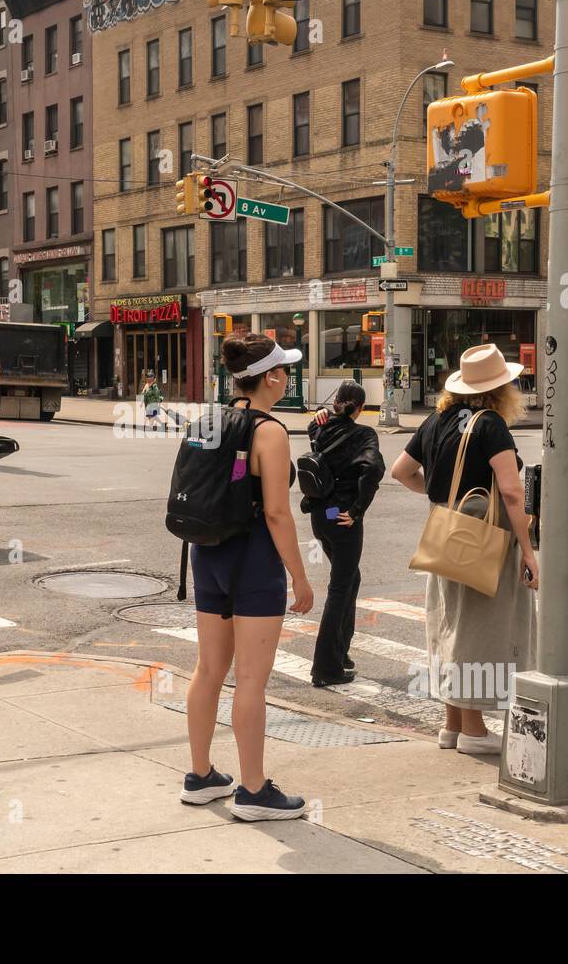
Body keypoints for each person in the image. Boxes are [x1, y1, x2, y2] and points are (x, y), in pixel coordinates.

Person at [183, 333, 314, 821]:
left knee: (208, 669)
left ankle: (200, 776)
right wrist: (299, 577)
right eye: (285, 371)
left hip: (207, 553)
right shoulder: (270, 431)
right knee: (252, 681)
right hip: (253, 560)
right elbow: (277, 514)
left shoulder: (207, 420)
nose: (288, 379)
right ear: (271, 377)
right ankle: (253, 791)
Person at [389, 344, 538, 756]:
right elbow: (510, 490)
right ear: (501, 388)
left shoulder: (435, 420)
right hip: (485, 532)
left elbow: (401, 471)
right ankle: (474, 730)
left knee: (450, 623)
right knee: (479, 627)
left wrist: (444, 502)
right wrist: (528, 550)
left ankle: (452, 725)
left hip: (446, 528)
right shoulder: (490, 425)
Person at [304, 380, 385, 688]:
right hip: (343, 518)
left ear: (335, 402)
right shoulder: (364, 434)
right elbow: (373, 470)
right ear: (361, 408)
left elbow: (315, 427)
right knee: (340, 587)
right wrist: (356, 510)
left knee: (351, 579)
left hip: (321, 515)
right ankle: (326, 667)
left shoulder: (320, 428)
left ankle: (341, 653)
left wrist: (319, 416)